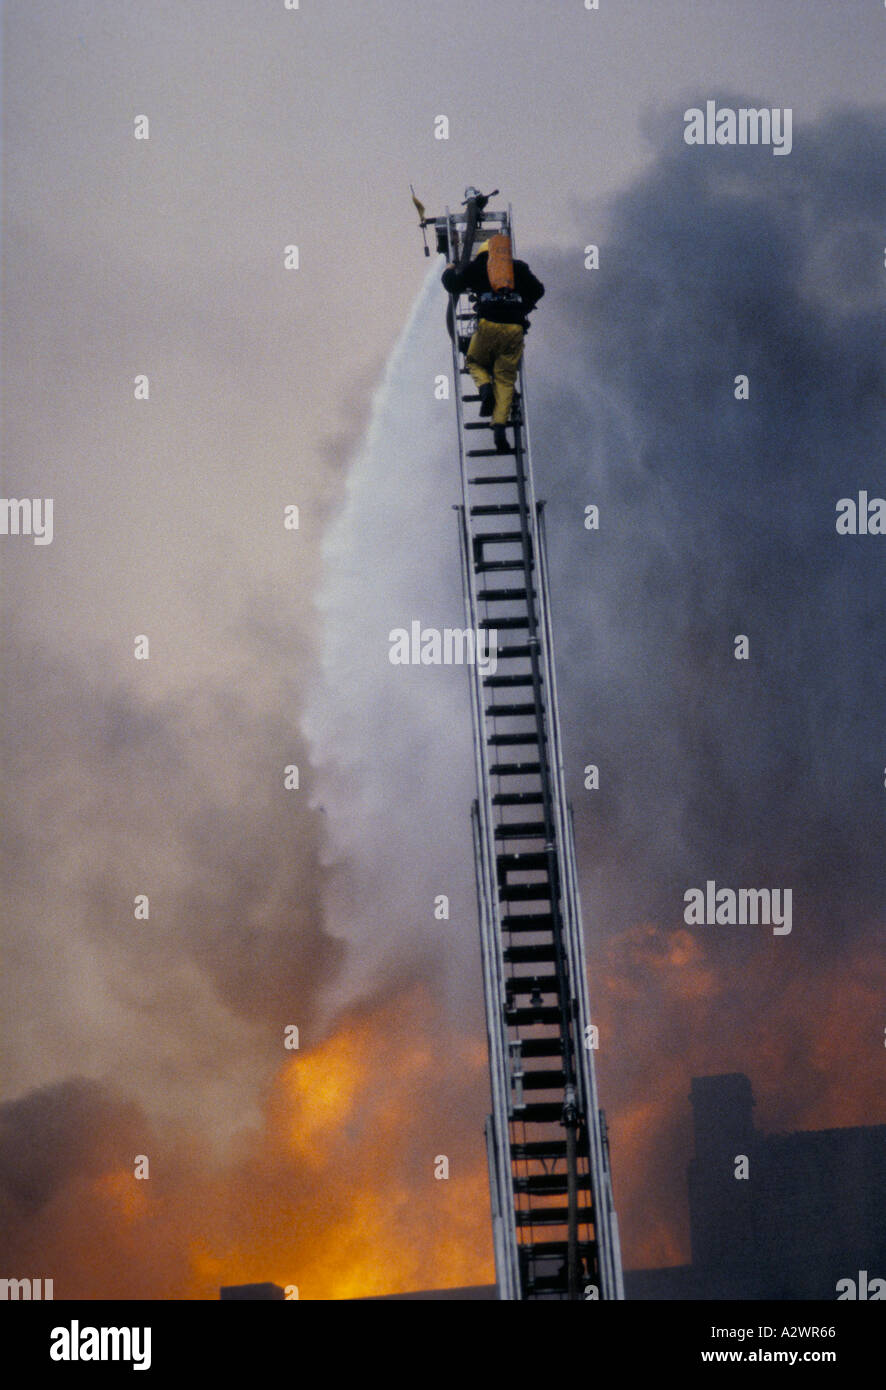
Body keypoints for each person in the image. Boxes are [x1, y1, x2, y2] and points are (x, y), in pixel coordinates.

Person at [442, 236, 544, 452]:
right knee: (506, 380)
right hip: (514, 330)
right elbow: (539, 291)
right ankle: (499, 430)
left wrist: (450, 267)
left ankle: (486, 389)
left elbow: (451, 285)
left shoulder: (476, 267)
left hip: (488, 326)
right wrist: (523, 307)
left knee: (474, 361)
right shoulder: (518, 267)